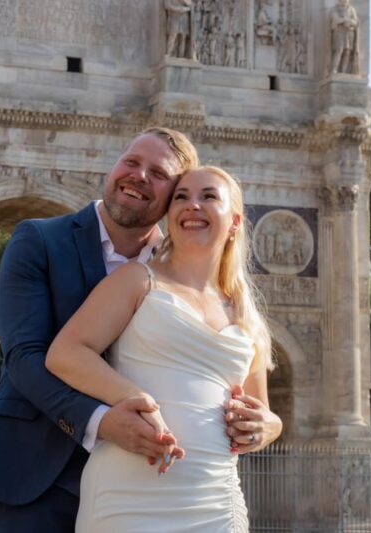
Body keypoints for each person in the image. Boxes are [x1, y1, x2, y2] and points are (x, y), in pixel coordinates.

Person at [0, 127, 283, 532]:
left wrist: (270, 425)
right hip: (40, 471)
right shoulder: (39, 239)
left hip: (180, 481)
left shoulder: (189, 270)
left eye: (159, 174)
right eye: (131, 162)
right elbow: (25, 358)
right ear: (114, 166)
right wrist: (102, 421)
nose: (139, 176)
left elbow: (252, 397)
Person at [46, 165, 280, 530]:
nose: (192, 205)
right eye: (181, 197)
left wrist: (271, 426)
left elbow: (261, 410)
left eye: (208, 196)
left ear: (234, 221)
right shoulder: (136, 280)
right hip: (128, 492)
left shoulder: (247, 314)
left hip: (215, 499)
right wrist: (137, 398)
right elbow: (66, 353)